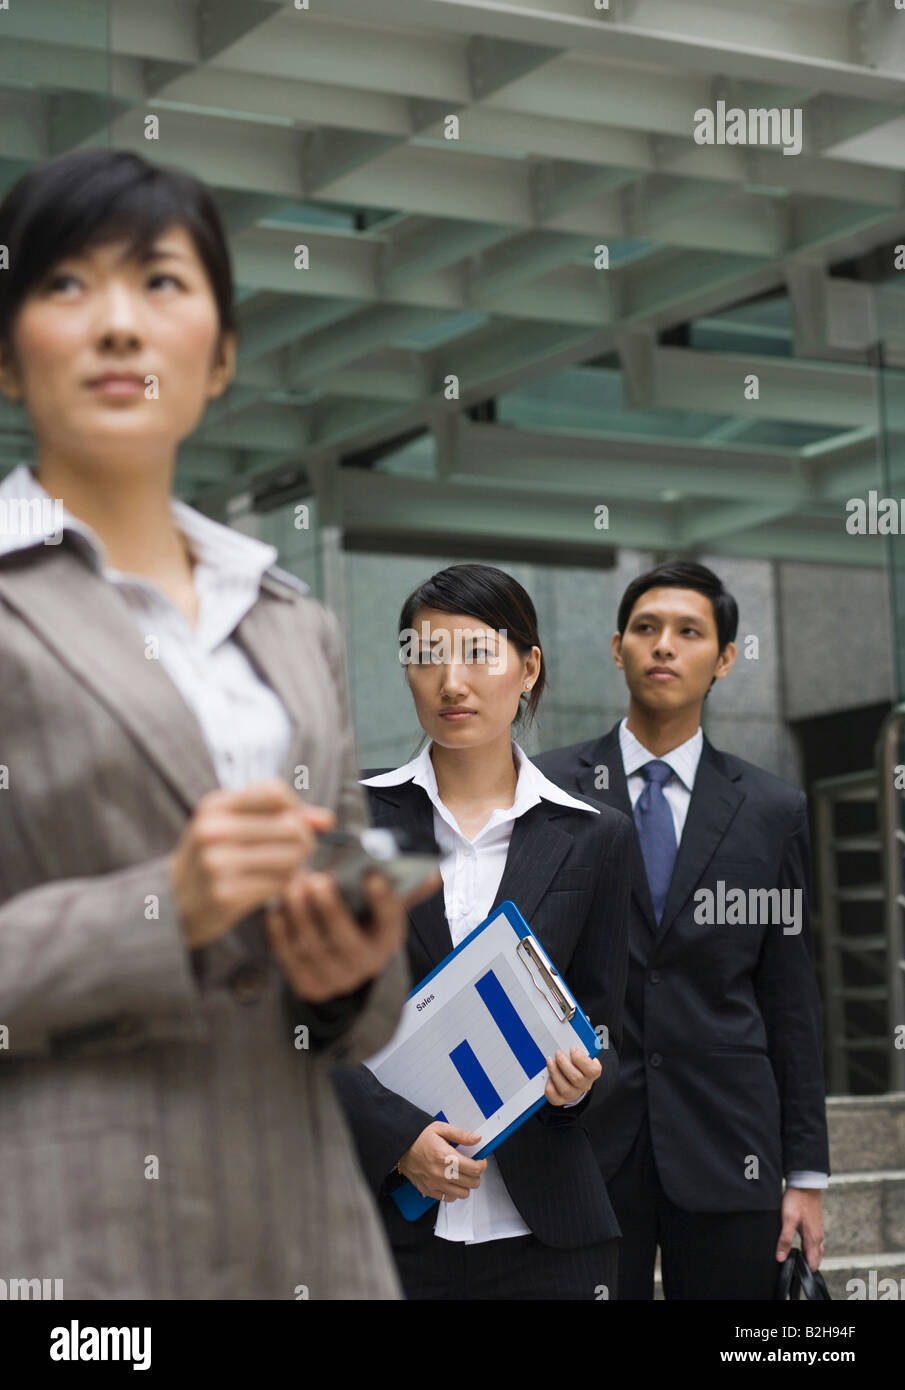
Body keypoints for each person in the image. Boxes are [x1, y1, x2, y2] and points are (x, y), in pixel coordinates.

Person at [0, 148, 433, 1300]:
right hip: (64, 1245)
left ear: (223, 353)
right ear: (7, 355)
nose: (117, 326)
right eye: (63, 286)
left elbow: (363, 1013)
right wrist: (161, 909)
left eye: (159, 282)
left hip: (307, 1237)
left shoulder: (296, 626)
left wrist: (344, 972)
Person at [332, 563, 633, 1300]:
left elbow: (609, 1026)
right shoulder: (350, 821)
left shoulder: (593, 838)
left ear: (527, 668)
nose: (450, 682)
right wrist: (397, 1140)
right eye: (427, 656)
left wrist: (579, 1084)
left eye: (476, 655)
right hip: (387, 1233)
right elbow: (305, 1024)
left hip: (549, 1236)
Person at [534, 561, 830, 1300]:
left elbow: (787, 994)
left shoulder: (770, 810)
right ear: (615, 647)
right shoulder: (547, 790)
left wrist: (806, 1174)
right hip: (584, 1140)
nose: (663, 646)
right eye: (645, 629)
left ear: (724, 658)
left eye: (688, 632)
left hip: (732, 1144)